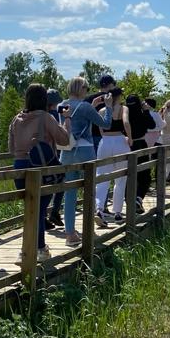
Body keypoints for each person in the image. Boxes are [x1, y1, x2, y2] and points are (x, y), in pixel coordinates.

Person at [9, 84, 69, 262]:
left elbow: (11, 148)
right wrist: (67, 120)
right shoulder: (46, 117)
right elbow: (64, 140)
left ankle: (30, 249)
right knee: (40, 209)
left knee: (31, 209)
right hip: (41, 167)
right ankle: (37, 249)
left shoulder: (16, 119)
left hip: (20, 167)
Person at [58, 77, 112, 246]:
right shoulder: (86, 106)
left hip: (67, 152)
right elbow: (106, 123)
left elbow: (68, 127)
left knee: (70, 194)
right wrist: (108, 107)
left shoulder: (62, 105)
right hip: (85, 150)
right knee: (89, 192)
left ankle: (70, 234)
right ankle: (89, 229)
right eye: (86, 88)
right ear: (81, 89)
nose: (87, 91)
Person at [95, 87, 132, 223]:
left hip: (105, 142)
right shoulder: (123, 109)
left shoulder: (102, 110)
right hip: (120, 141)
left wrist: (105, 137)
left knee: (102, 177)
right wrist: (130, 138)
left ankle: (99, 209)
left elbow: (100, 127)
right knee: (120, 179)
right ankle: (117, 212)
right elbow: (126, 122)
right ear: (119, 96)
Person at [125, 95, 155, 214]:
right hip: (141, 144)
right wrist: (146, 111)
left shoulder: (125, 114)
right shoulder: (142, 114)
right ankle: (138, 197)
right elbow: (152, 125)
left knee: (127, 174)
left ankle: (129, 200)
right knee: (145, 175)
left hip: (127, 144)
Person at [44, 89, 64, 230]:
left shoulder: (39, 115)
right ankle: (55, 211)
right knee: (59, 183)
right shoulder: (55, 116)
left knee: (44, 188)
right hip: (53, 155)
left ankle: (44, 216)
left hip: (38, 156)